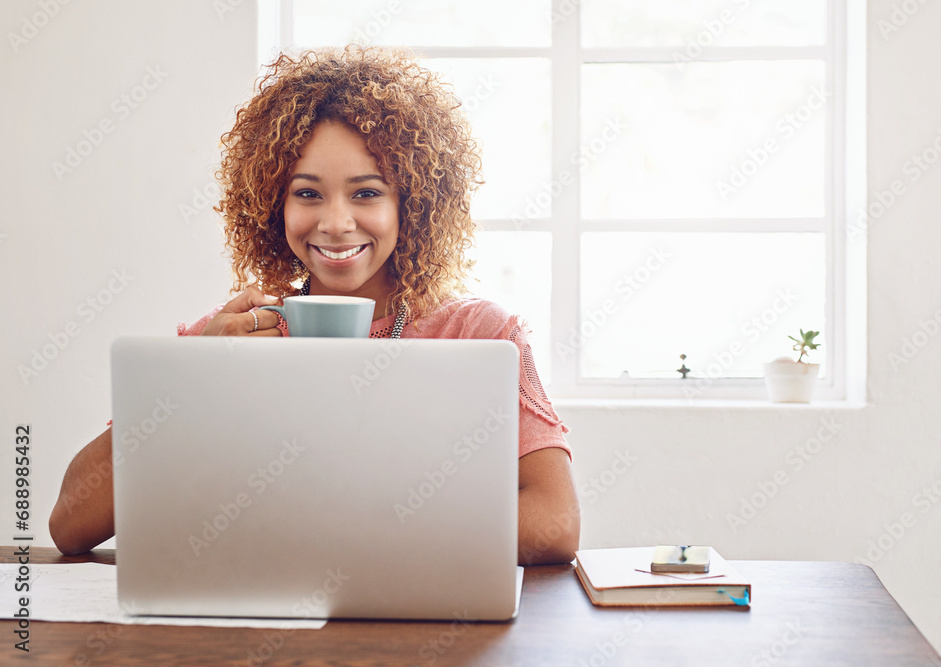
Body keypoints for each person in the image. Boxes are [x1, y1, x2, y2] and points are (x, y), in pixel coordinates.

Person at [48, 45, 580, 565]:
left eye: (367, 193)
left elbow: (554, 525)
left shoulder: (479, 333)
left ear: (410, 205)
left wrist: (352, 537)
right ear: (272, 204)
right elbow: (71, 525)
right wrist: (191, 379)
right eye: (307, 194)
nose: (335, 223)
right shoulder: (232, 336)